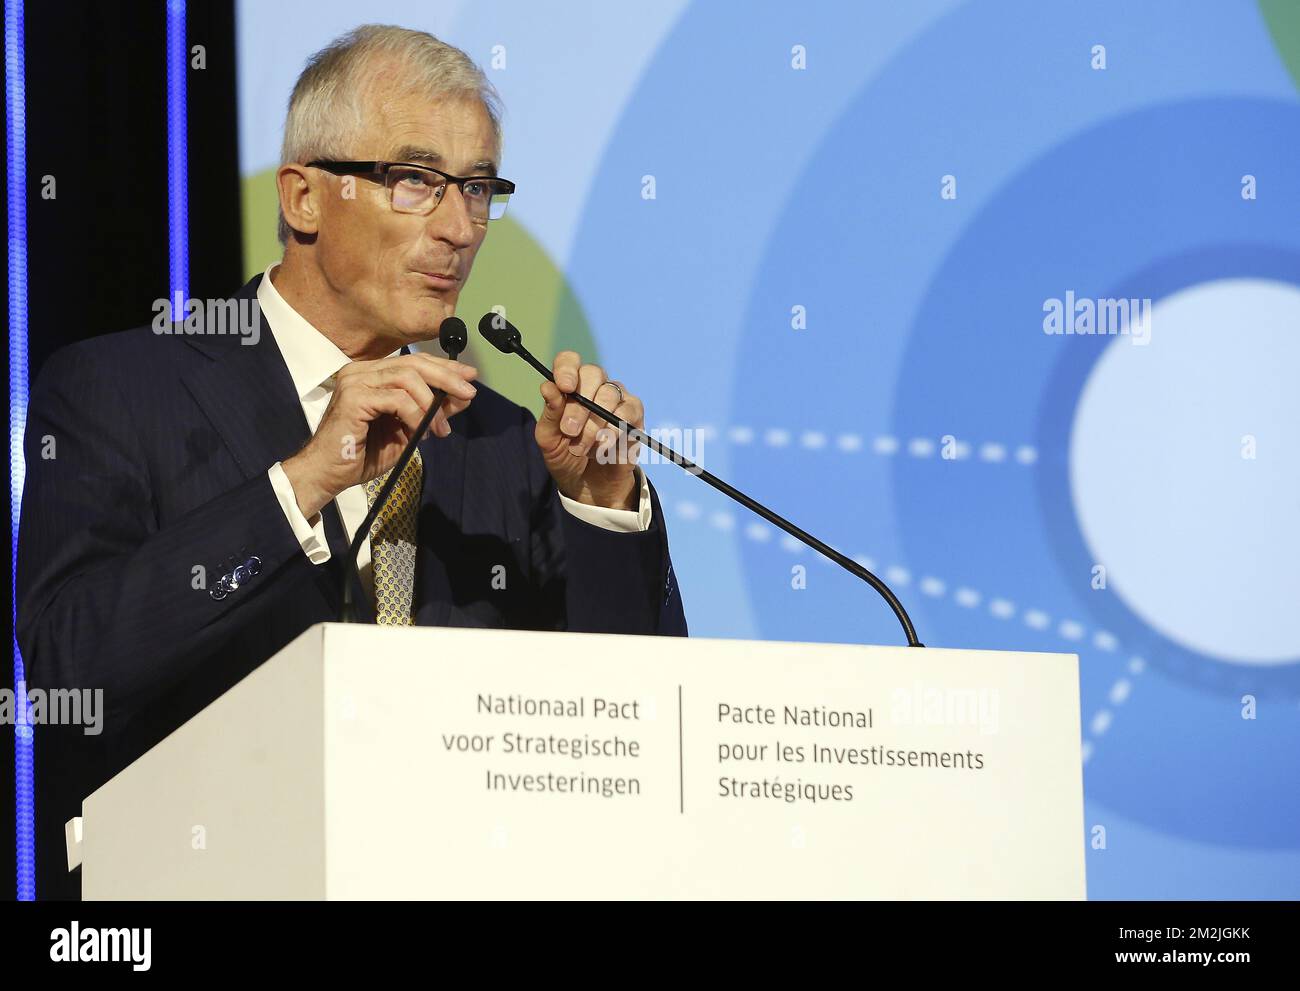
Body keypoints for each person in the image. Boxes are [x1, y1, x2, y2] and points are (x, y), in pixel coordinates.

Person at [16, 24, 686, 899]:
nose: (459, 228)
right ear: (303, 198)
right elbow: (72, 662)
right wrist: (297, 486)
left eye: (478, 188)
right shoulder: (119, 388)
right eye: (416, 181)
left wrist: (597, 508)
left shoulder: (504, 441)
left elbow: (644, 734)